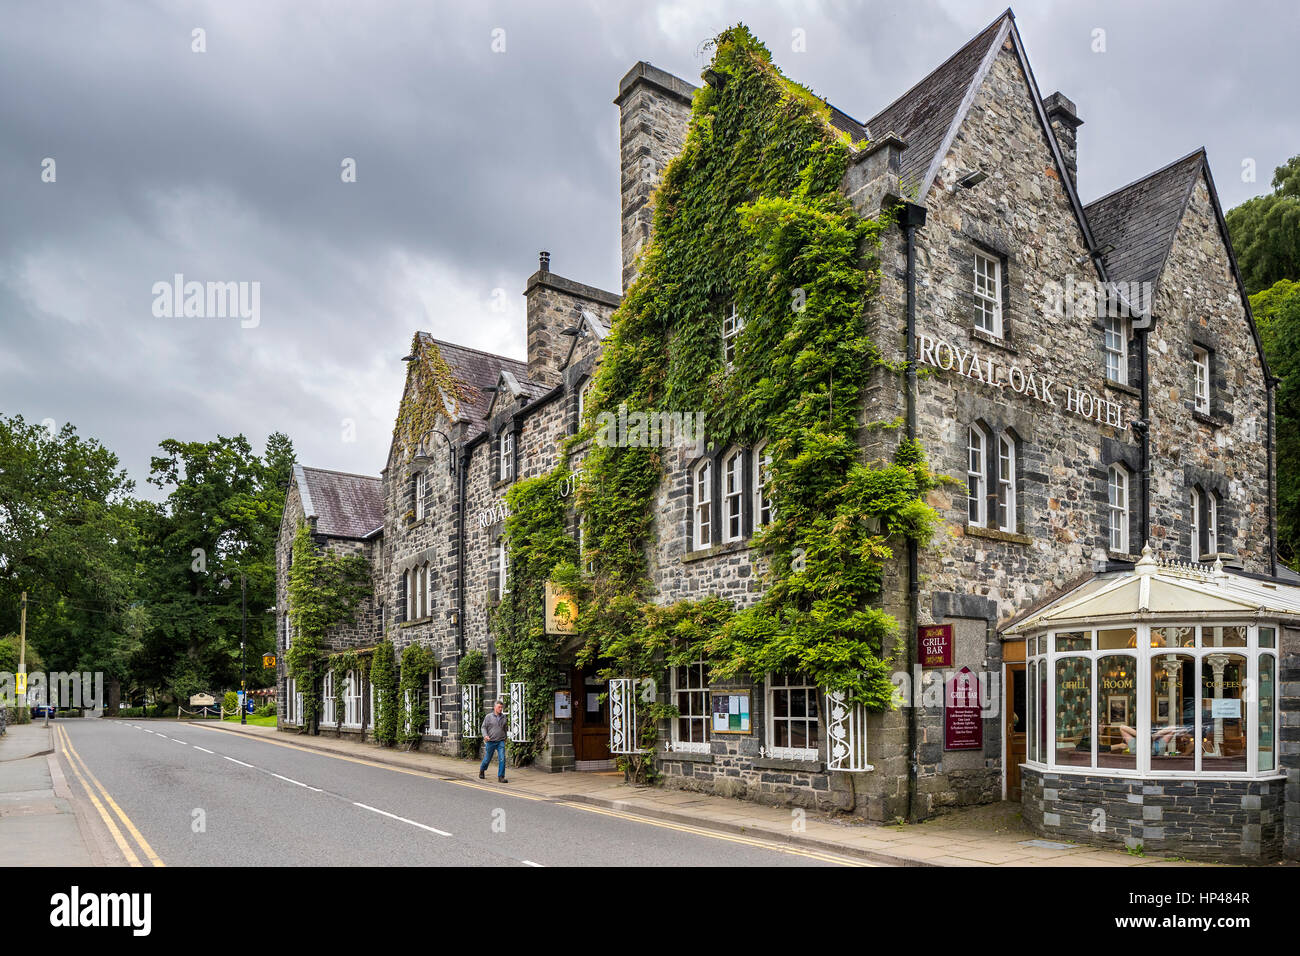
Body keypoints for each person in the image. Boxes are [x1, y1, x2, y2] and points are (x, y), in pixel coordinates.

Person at [479, 699, 508, 782]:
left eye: (501, 707)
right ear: (495, 707)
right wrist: (485, 735)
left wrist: (505, 737)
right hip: (490, 741)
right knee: (488, 758)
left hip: (500, 741)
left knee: (502, 758)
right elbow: (483, 727)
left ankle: (501, 777)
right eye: (499, 707)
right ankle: (482, 770)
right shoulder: (488, 717)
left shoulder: (504, 717)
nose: (500, 709)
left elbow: (505, 728)